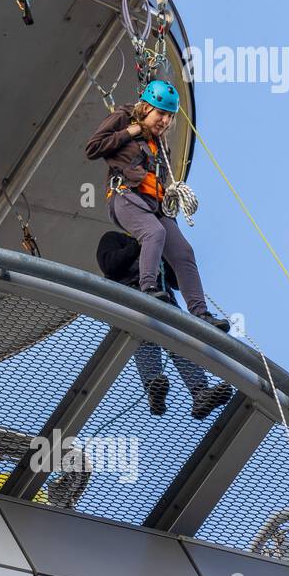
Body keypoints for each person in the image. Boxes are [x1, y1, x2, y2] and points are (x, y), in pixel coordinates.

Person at [85, 79, 230, 331]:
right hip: (126, 195)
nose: (165, 121)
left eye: (169, 117)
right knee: (154, 233)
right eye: (161, 113)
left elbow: (158, 177)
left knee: (183, 252)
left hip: (155, 203)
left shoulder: (160, 144)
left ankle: (200, 312)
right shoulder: (124, 118)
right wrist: (129, 132)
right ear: (146, 108)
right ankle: (148, 289)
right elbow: (93, 147)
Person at [96, 230, 235, 419]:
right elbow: (108, 265)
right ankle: (153, 386)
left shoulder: (157, 245)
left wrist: (165, 253)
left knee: (181, 345)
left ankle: (200, 393)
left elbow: (176, 281)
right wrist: (140, 245)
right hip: (132, 294)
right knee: (144, 338)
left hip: (165, 301)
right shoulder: (114, 238)